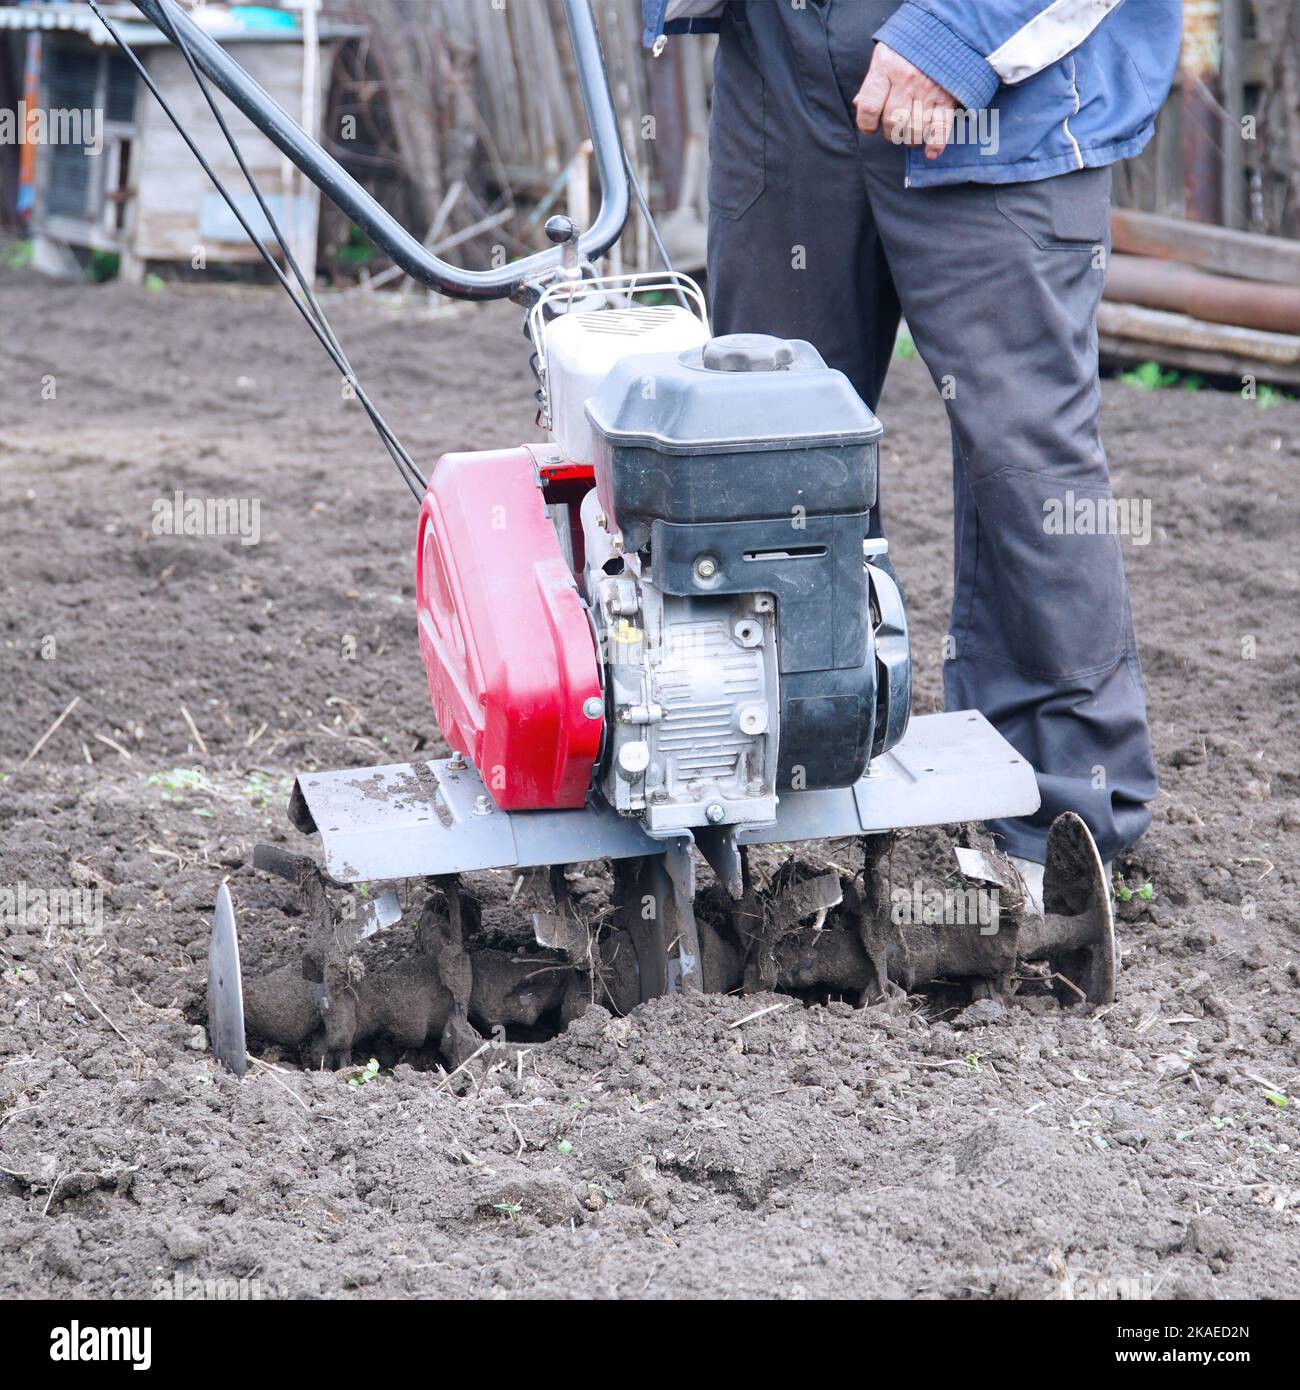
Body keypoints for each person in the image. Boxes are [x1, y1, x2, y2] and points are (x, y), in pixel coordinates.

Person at [642, 0, 1181, 906]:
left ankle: (1052, 826)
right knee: (766, 441)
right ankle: (772, 785)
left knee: (1021, 458)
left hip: (1004, 86)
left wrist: (957, 35)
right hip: (783, 65)